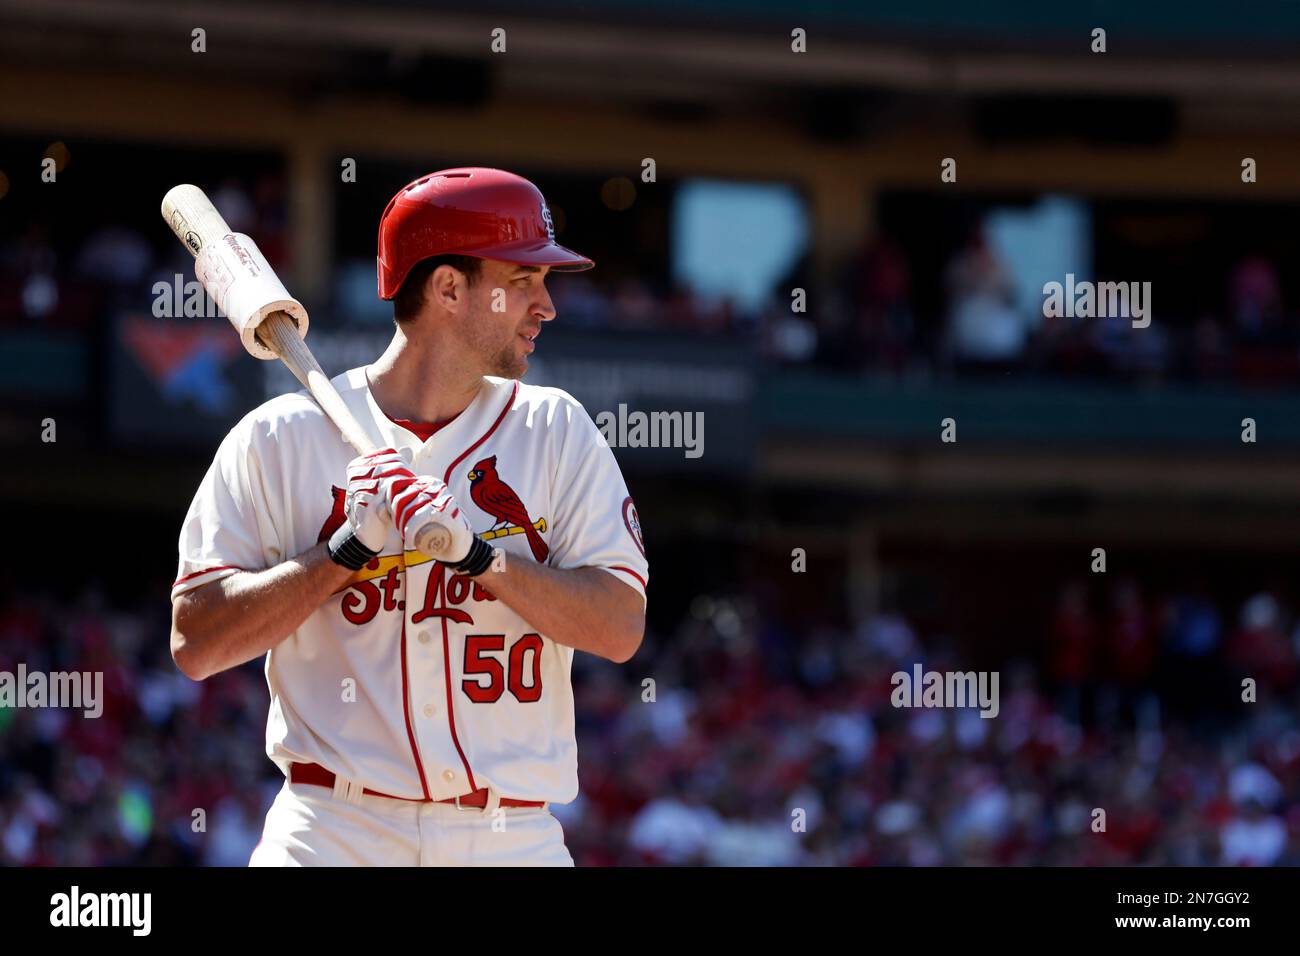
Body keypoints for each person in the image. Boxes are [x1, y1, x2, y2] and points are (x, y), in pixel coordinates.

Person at [169, 168, 649, 866]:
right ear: (448, 289)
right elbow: (196, 640)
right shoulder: (281, 438)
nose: (545, 305)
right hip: (332, 830)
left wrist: (479, 556)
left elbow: (619, 627)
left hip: (509, 837)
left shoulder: (556, 431)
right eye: (522, 282)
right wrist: (340, 552)